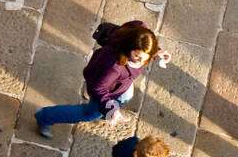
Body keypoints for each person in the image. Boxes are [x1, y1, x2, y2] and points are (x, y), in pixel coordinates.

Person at [34, 20, 169, 136]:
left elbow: (145, 44)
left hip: (117, 82)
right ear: (129, 48)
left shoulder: (137, 29)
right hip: (106, 86)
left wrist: (156, 52)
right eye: (137, 56)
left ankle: (107, 108)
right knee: (89, 114)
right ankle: (44, 116)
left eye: (146, 57)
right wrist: (110, 108)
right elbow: (98, 88)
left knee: (126, 95)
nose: (141, 61)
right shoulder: (113, 67)